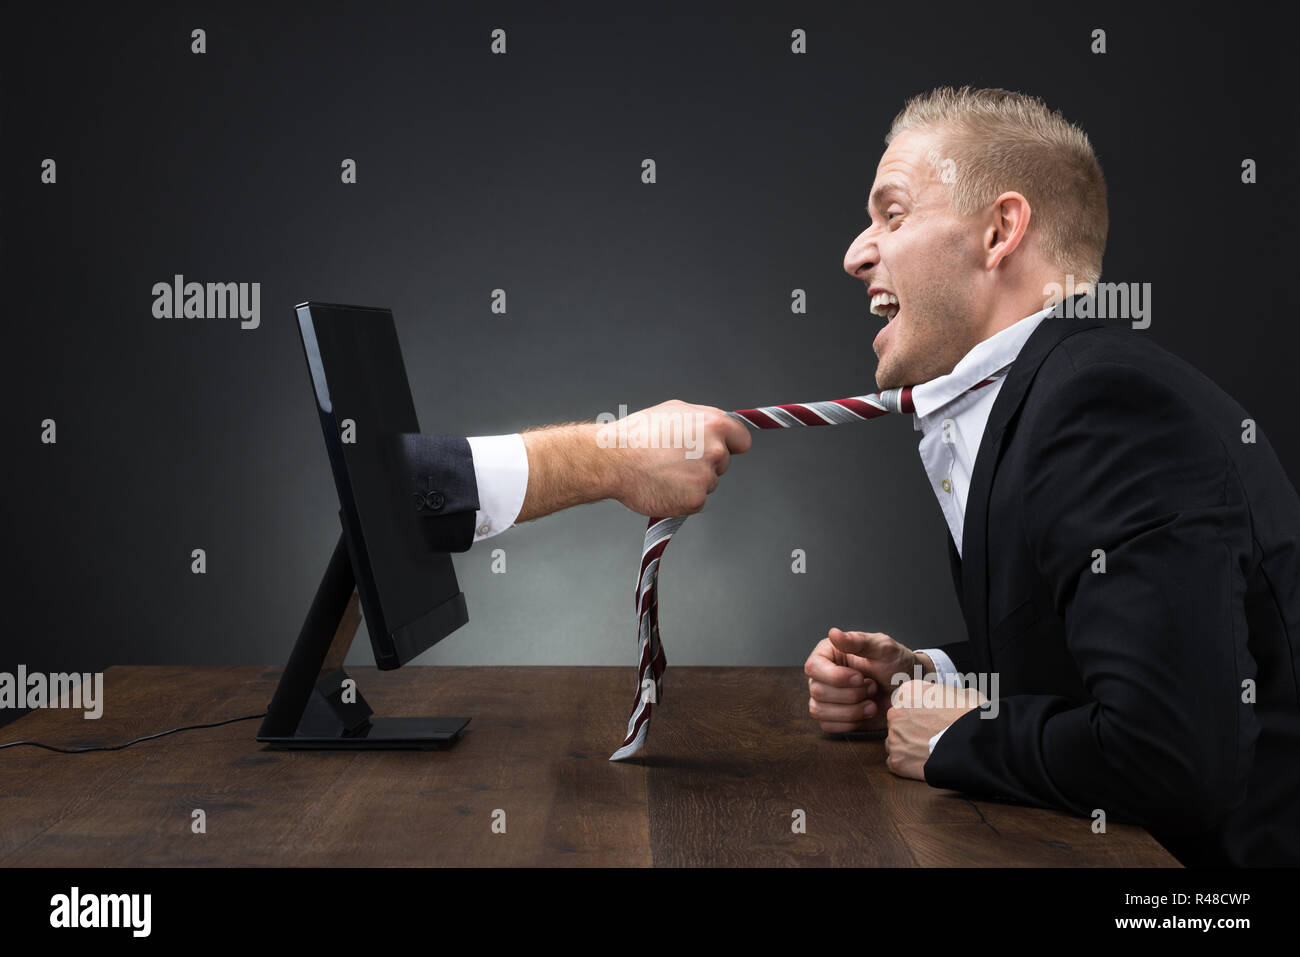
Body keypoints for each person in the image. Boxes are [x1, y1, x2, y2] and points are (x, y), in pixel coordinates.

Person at [401, 86, 1300, 868]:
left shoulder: (1102, 405)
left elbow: (1173, 758)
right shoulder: (1056, 395)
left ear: (1000, 230)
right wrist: (926, 671)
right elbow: (1110, 648)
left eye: (892, 213)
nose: (856, 253)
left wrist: (959, 734)